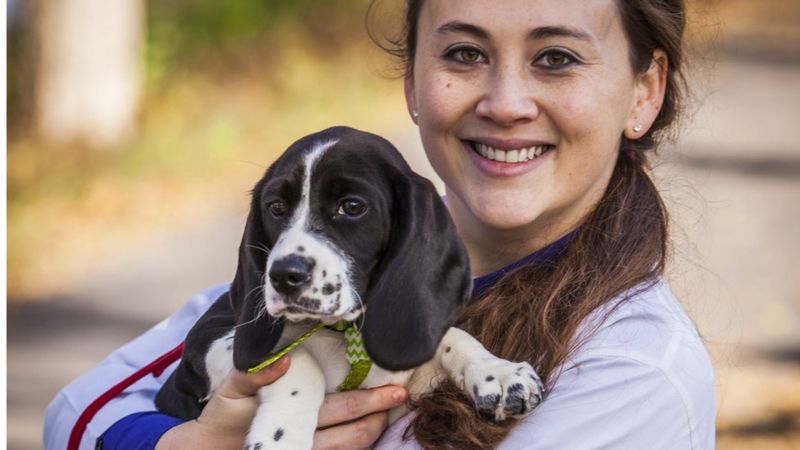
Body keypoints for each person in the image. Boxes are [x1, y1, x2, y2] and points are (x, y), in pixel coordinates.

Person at [44, 0, 716, 448]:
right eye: (463, 54)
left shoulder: (632, 373)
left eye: (557, 58)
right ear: (411, 86)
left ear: (643, 91)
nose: (506, 103)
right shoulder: (310, 274)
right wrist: (178, 443)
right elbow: (70, 415)